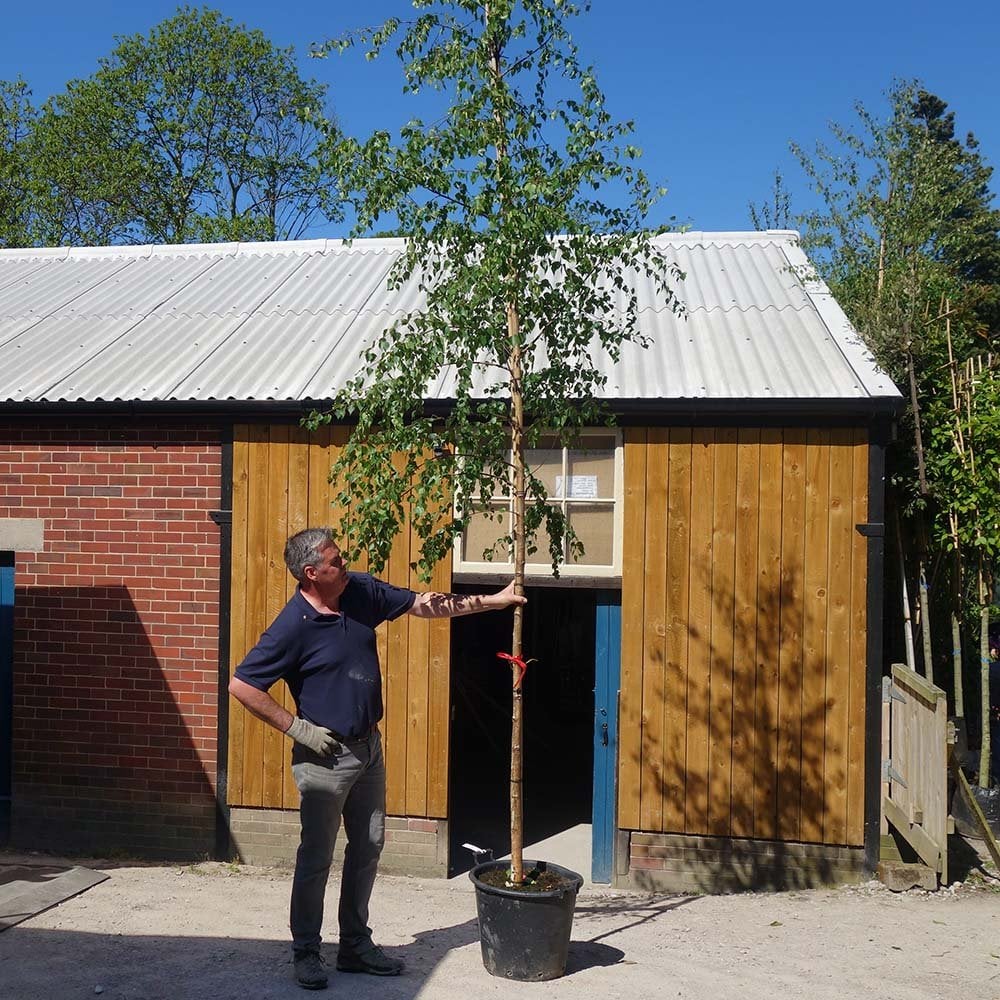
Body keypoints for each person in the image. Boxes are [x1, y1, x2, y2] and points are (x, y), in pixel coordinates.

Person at [228, 527, 526, 991]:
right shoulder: (292, 627)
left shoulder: (359, 592)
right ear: (311, 573)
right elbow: (242, 686)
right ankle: (306, 951)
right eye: (335, 560)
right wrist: (298, 728)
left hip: (369, 748)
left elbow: (424, 603)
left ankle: (354, 946)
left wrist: (493, 601)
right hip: (324, 759)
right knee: (316, 857)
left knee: (368, 846)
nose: (344, 564)